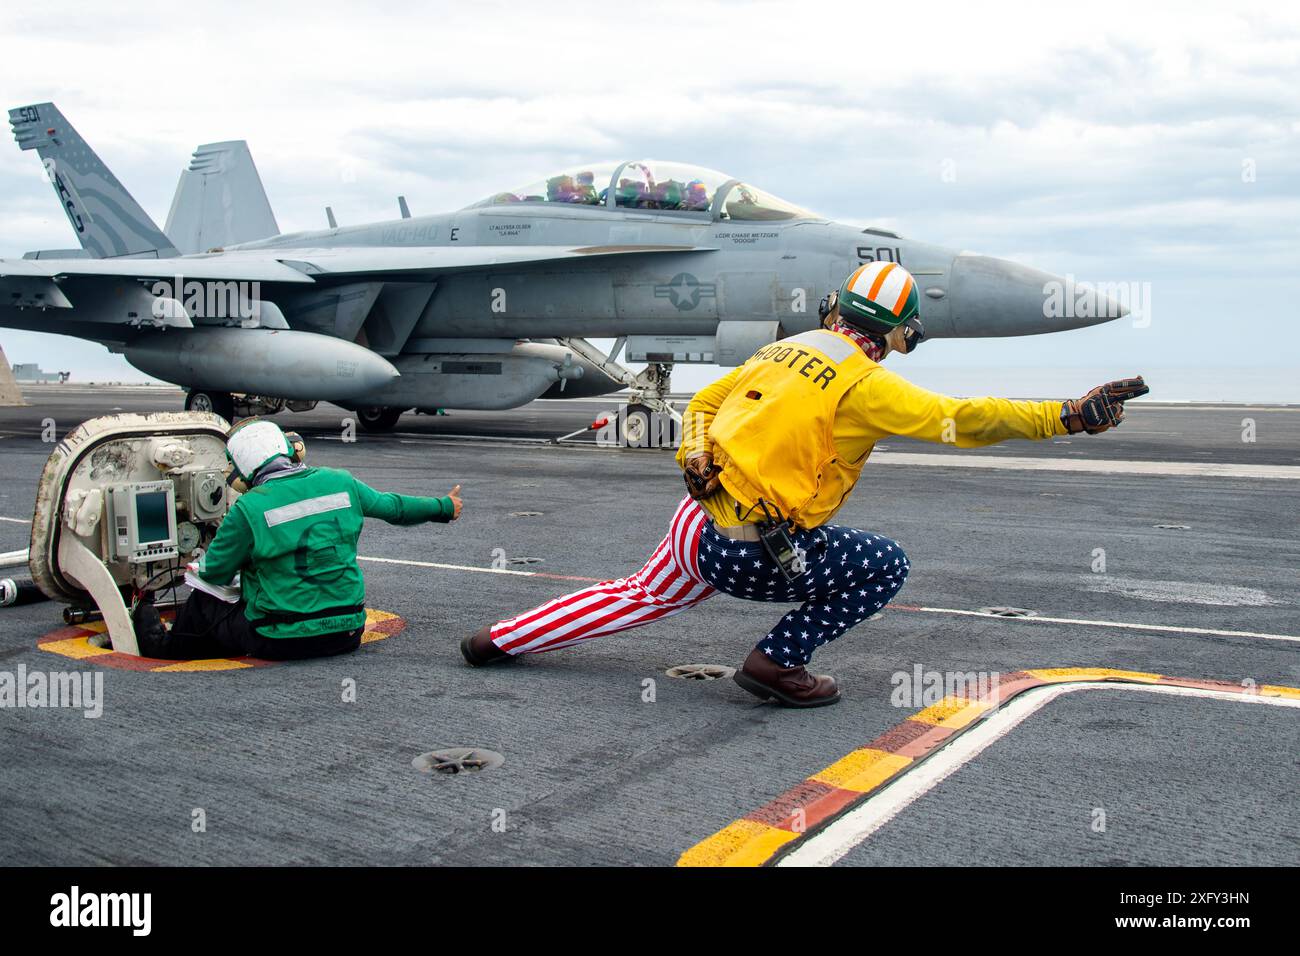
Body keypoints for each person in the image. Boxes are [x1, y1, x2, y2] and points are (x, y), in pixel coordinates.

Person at [461, 262, 1148, 707]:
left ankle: (499, 640)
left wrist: (695, 455)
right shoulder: (867, 383)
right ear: (902, 334)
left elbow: (701, 407)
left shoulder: (782, 347)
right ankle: (774, 664)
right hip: (756, 550)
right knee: (886, 564)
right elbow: (961, 421)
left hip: (695, 522)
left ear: (833, 309)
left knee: (638, 595)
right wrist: (1067, 415)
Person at [126, 418, 464, 661]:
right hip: (346, 634)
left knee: (204, 604)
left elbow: (213, 575)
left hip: (280, 641)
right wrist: (444, 506)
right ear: (291, 451)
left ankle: (158, 642)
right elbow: (394, 507)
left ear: (243, 470)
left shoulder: (249, 507)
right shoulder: (341, 481)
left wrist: (202, 565)